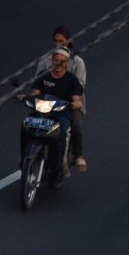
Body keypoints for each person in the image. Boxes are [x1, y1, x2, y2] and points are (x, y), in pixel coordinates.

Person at [29, 26, 88, 171]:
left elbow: (79, 85)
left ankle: (78, 155)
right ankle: (28, 154)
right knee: (30, 122)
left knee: (75, 126)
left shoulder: (76, 62)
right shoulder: (45, 60)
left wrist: (74, 101)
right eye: (55, 41)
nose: (57, 44)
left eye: (61, 41)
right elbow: (37, 82)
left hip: (68, 104)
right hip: (47, 102)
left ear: (68, 41)